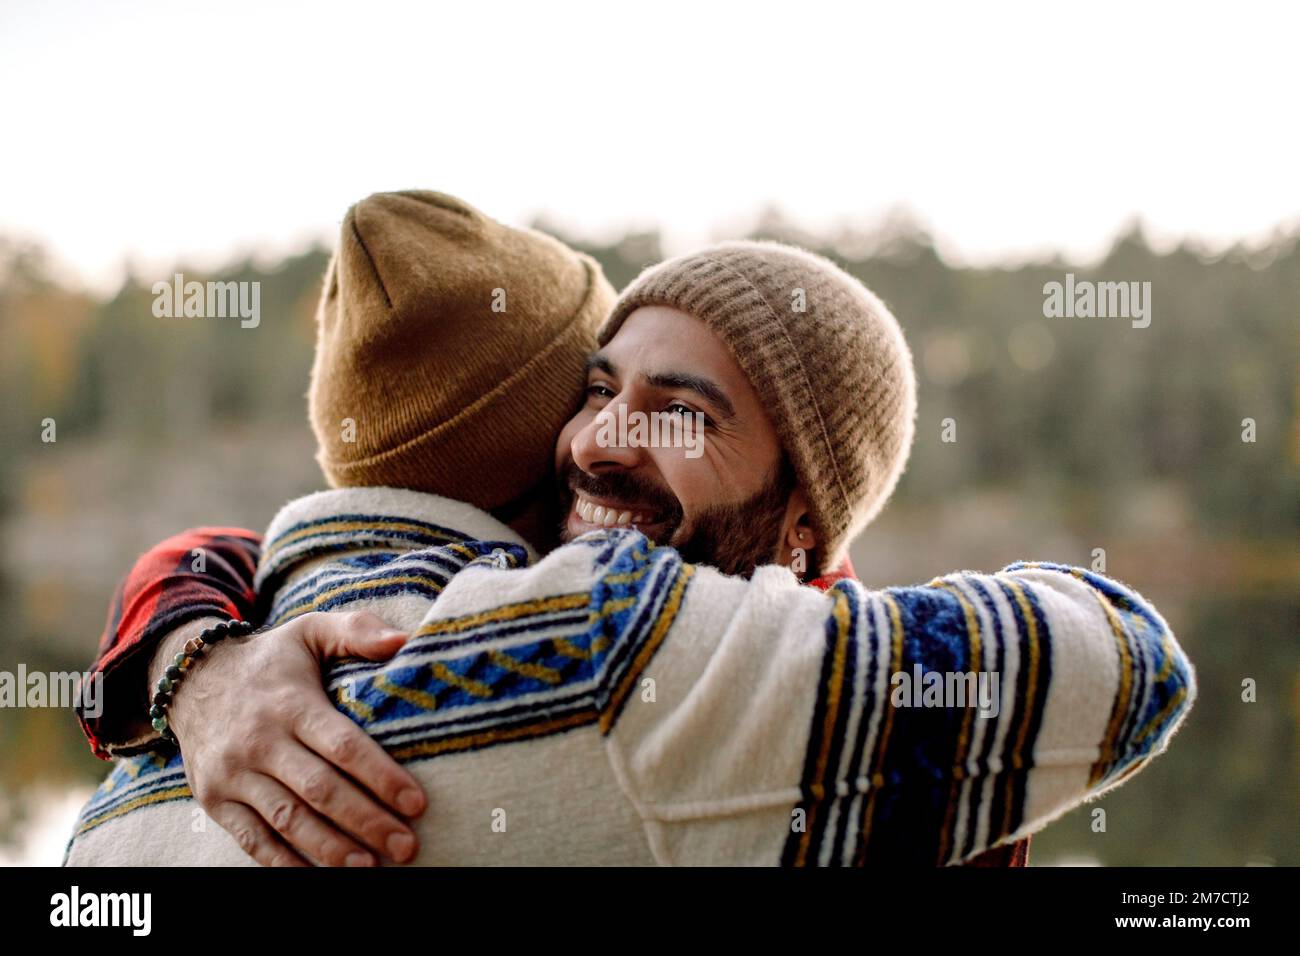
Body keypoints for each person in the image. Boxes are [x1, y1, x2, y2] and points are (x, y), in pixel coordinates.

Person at [66, 191, 1194, 866]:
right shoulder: (616, 653)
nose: (599, 439)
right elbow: (1128, 656)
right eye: (595, 389)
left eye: (680, 409)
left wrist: (189, 646)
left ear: (809, 501)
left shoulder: (142, 769)